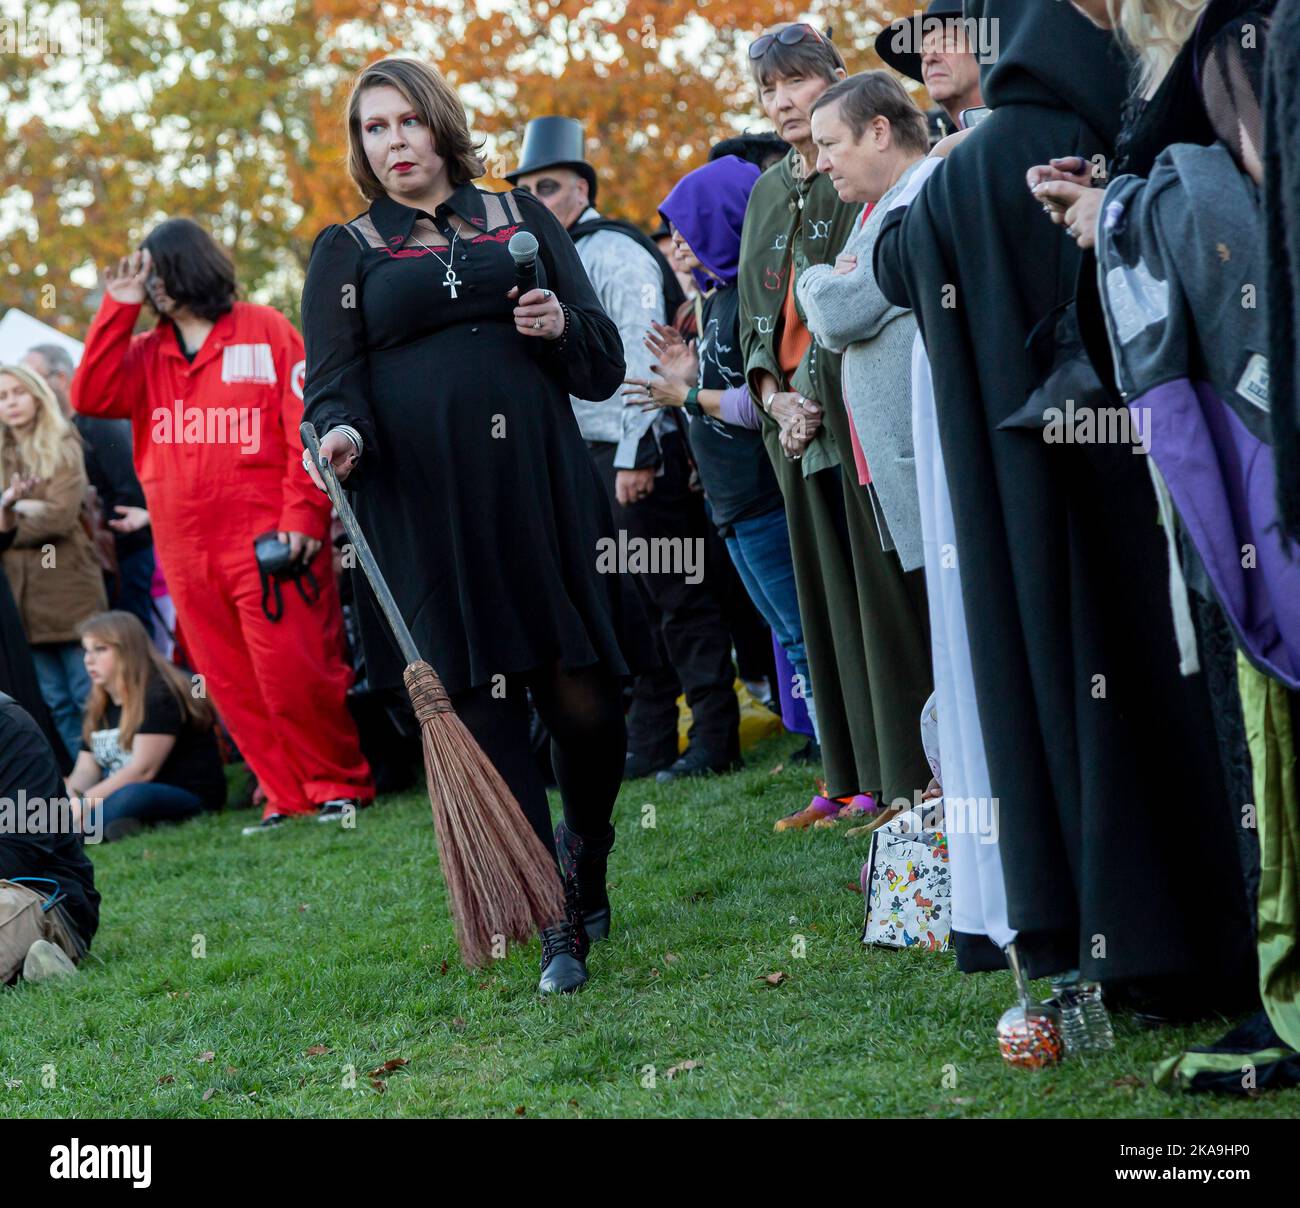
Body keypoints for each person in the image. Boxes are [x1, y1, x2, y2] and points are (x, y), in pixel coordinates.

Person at [874, 0, 1257, 1007]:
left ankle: (1116, 930)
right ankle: (1205, 925)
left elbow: (887, 268)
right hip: (1156, 478)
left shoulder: (966, 168)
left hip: (1055, 502)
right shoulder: (1080, 133)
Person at [299, 57, 642, 994]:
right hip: (422, 509)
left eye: (407, 121)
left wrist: (554, 327)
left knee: (586, 700)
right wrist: (339, 437)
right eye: (374, 129)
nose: (394, 142)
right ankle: (555, 921)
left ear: (439, 125)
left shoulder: (521, 220)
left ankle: (589, 850)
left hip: (537, 491)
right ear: (361, 146)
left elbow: (604, 362)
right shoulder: (346, 249)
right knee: (484, 705)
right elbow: (333, 386)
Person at [70, 218, 375, 835]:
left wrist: (302, 515)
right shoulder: (146, 353)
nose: (150, 286)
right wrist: (117, 310)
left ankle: (338, 785)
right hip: (185, 553)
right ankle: (284, 796)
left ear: (187, 266)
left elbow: (304, 431)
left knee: (295, 672)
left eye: (154, 272)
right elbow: (91, 394)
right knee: (232, 684)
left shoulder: (265, 329)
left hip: (268, 541)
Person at [509, 116, 741, 784]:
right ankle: (652, 741)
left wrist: (637, 455)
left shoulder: (613, 250)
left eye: (547, 187)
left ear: (581, 187)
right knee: (629, 604)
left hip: (637, 448)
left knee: (676, 593)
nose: (537, 200)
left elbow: (644, 351)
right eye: (526, 191)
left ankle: (715, 737)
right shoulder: (553, 254)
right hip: (590, 457)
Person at [739, 22, 931, 816]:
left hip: (855, 413)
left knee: (885, 602)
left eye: (796, 81)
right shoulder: (765, 189)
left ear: (836, 80)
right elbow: (754, 316)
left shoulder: (856, 167)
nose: (782, 101)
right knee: (824, 611)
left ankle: (908, 775)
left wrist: (815, 393)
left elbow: (851, 295)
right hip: (794, 429)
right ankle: (847, 776)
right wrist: (775, 398)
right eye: (768, 89)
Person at [624, 156, 815, 761]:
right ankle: (826, 749)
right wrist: (687, 382)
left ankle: (845, 759)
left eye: (688, 231)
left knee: (805, 634)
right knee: (786, 635)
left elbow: (763, 405)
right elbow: (712, 405)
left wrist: (686, 393)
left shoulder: (749, 300)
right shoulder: (713, 302)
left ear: (724, 222)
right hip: (731, 504)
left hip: (762, 498)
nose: (677, 247)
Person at [0, 364, 108, 761]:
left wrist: (11, 518)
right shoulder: (1, 451)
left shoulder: (63, 442)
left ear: (35, 394)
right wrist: (22, 508)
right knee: (55, 701)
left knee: (88, 693)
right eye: (2, 396)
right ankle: (77, 788)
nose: (10, 403)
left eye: (17, 393)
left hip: (68, 591)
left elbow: (60, 517)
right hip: (21, 602)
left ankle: (106, 778)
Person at [22, 343, 157, 636]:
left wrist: (109, 534)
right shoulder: (52, 434)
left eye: (34, 378)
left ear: (59, 379)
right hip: (96, 561)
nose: (29, 391)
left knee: (132, 639)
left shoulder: (98, 422)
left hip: (126, 553)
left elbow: (130, 488)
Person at [63, 611, 226, 842]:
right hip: (127, 794)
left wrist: (82, 804)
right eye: (86, 650)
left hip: (184, 795)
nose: (88, 660)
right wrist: (69, 798)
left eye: (100, 649)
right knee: (55, 797)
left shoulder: (160, 694)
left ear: (128, 651)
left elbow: (142, 771)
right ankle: (116, 827)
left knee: (130, 796)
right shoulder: (99, 703)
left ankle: (70, 837)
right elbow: (86, 769)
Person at [0, 693, 100, 985]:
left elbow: (17, 854)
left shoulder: (9, 728)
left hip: (37, 893)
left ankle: (43, 953)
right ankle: (28, 968)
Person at [875, 0, 984, 131]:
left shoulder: (1014, 131)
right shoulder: (931, 147)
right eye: (923, 52)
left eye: (946, 45)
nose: (929, 58)